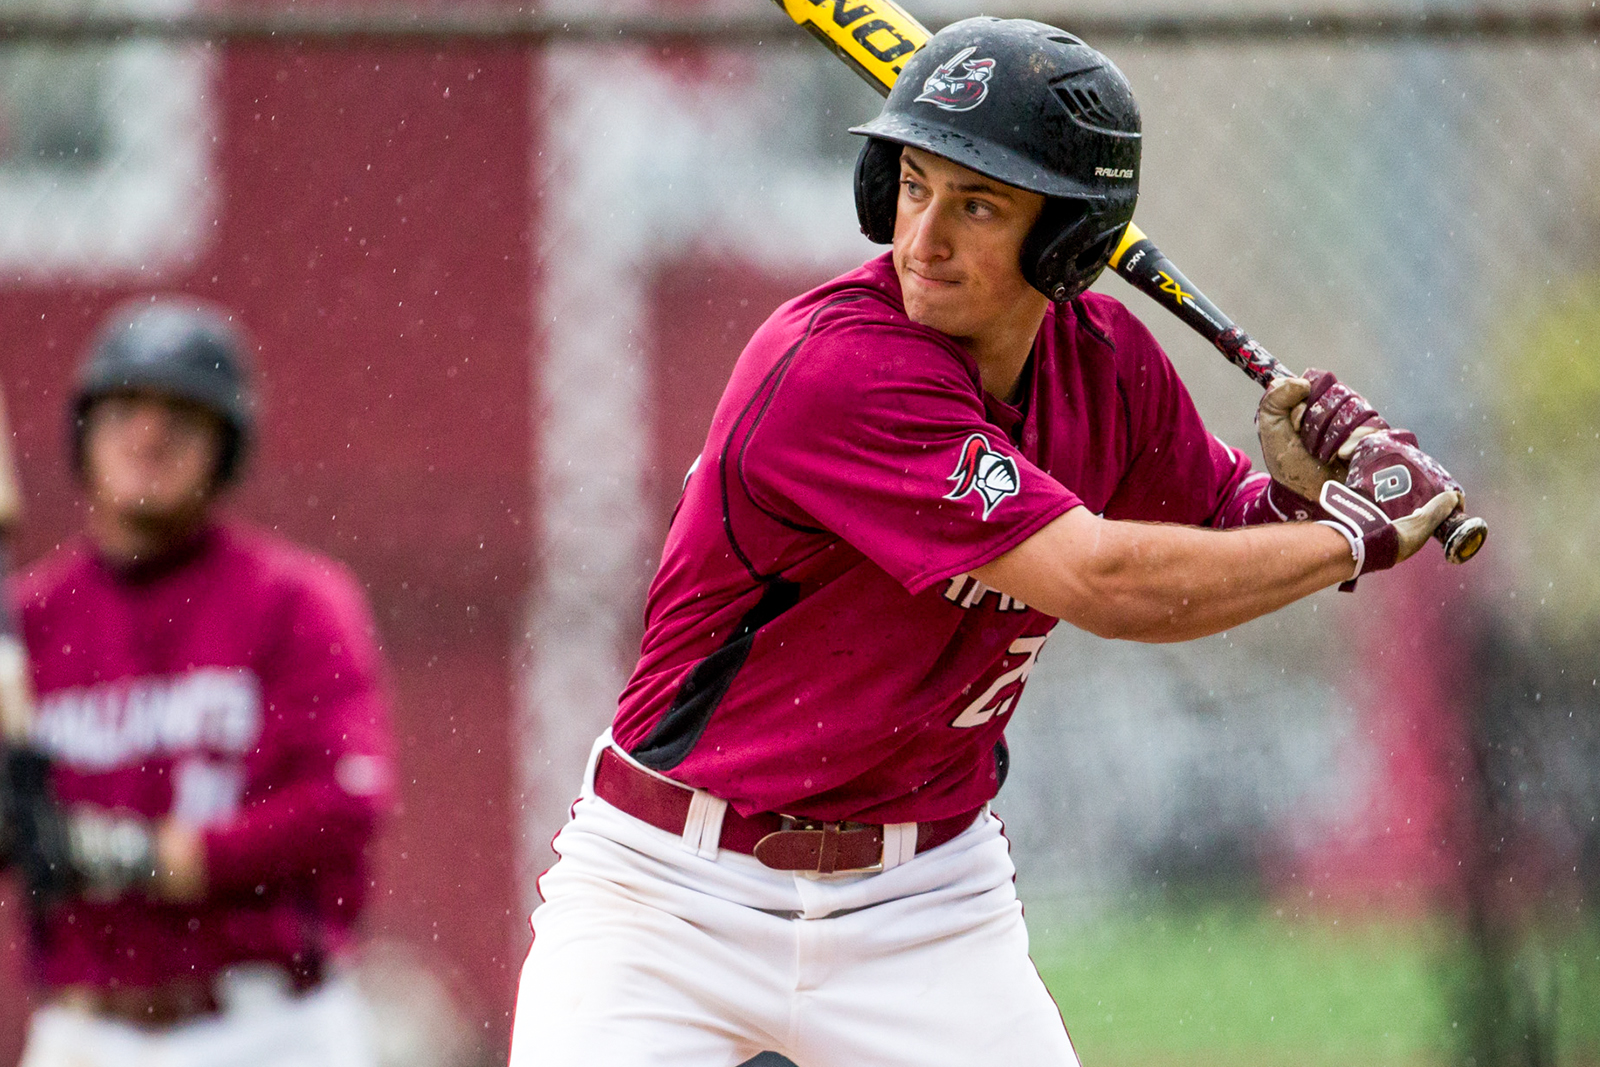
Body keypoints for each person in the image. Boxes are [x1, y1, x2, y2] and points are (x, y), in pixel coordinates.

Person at [508, 17, 1462, 1067]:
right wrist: (1348, 537)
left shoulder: (1108, 366)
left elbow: (1206, 553)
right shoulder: (836, 368)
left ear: (1066, 241)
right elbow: (1104, 580)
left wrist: (1292, 506)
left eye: (977, 205)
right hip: (670, 893)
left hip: (924, 904)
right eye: (912, 186)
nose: (923, 238)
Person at [0, 297, 396, 1067]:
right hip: (88, 1029)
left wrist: (144, 856)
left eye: (180, 416)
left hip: (267, 1025)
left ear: (226, 446)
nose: (148, 435)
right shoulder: (29, 624)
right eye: (125, 411)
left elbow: (346, 802)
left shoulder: (296, 602)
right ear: (85, 433)